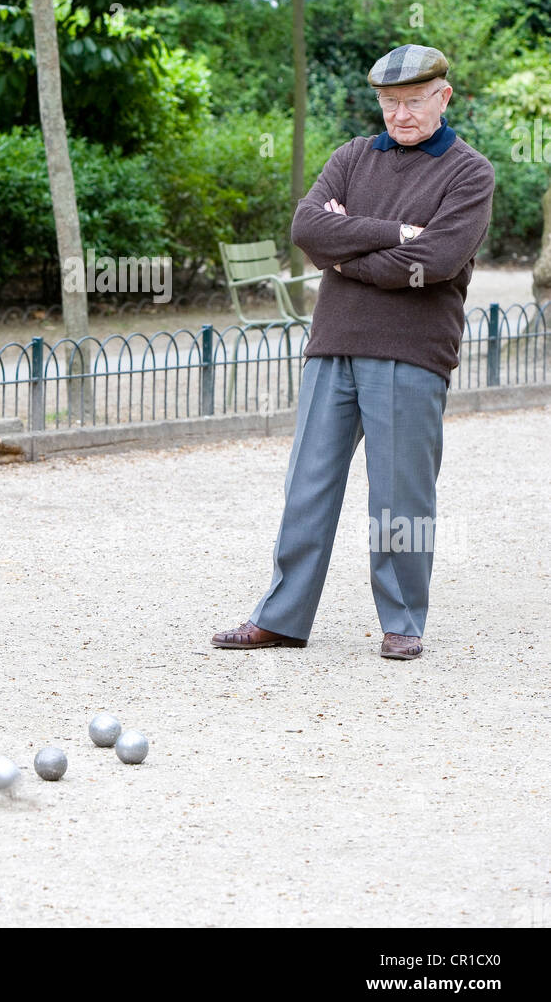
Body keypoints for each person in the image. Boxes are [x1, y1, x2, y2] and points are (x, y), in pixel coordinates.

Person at [212, 44, 495, 660]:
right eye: (389, 103)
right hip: (333, 341)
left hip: (412, 350)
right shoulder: (351, 157)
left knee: (401, 495)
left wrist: (343, 256)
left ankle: (402, 622)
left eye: (413, 102)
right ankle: (282, 617)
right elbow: (308, 229)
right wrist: (392, 234)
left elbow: (438, 260)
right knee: (307, 486)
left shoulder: (470, 173)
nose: (400, 115)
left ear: (445, 97)